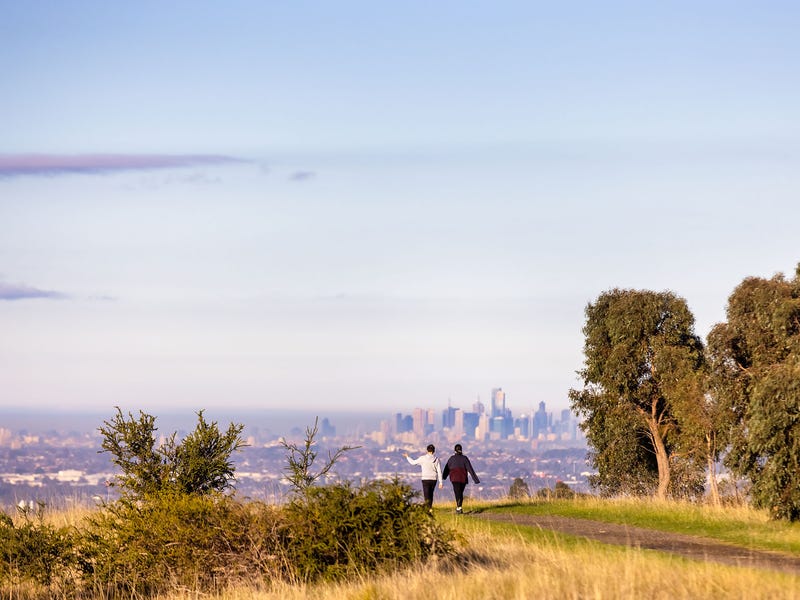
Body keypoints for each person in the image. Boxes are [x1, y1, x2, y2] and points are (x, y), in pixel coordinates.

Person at [404, 444, 443, 513]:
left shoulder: (422, 458)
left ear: (427, 450)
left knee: (426, 494)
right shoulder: (436, 459)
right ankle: (430, 508)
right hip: (434, 479)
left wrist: (407, 457)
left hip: (425, 479)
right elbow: (439, 471)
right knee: (431, 494)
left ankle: (428, 509)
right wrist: (440, 482)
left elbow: (413, 463)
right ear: (434, 451)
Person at [442, 443, 480, 514]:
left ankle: (459, 508)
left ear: (454, 451)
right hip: (463, 478)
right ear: (461, 450)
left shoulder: (451, 458)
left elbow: (446, 469)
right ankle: (459, 508)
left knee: (457, 493)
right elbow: (470, 469)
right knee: (460, 493)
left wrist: (444, 477)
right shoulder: (464, 458)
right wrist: (476, 480)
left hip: (454, 479)